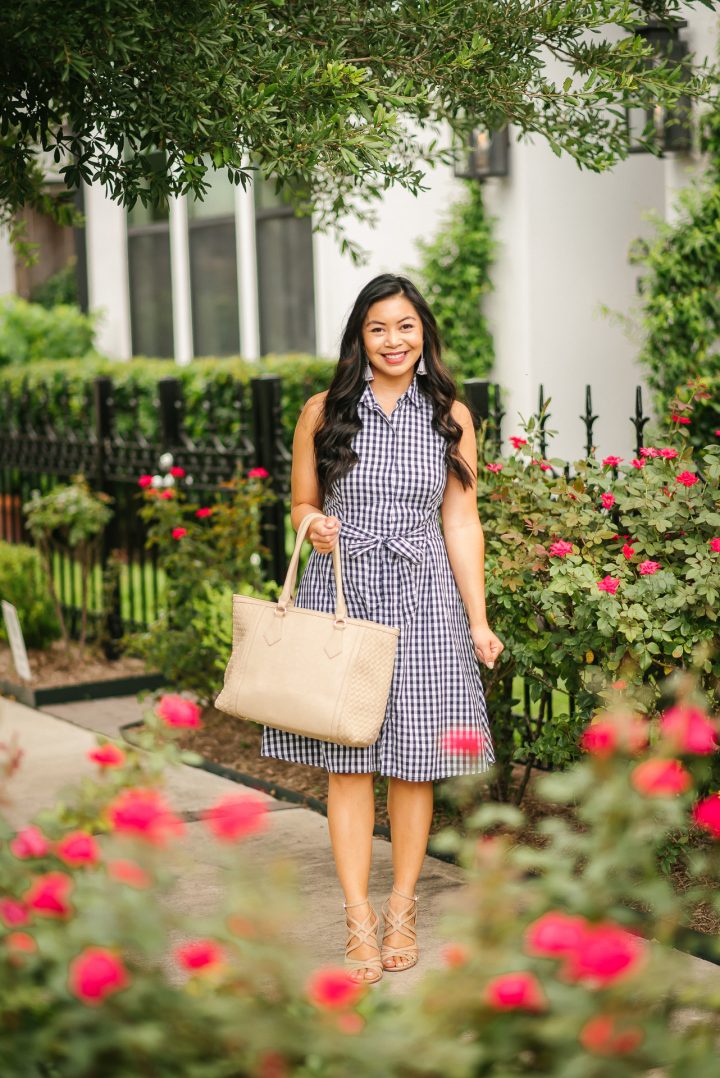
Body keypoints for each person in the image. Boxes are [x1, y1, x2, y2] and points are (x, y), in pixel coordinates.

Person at [261, 273, 504, 983]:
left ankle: (402, 908)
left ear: (422, 331)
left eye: (405, 325)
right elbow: (301, 502)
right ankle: (357, 918)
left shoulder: (450, 413)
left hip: (425, 596)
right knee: (349, 760)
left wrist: (479, 620)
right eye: (378, 328)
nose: (393, 340)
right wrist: (316, 526)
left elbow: (461, 521)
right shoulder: (324, 410)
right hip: (347, 592)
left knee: (414, 764)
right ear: (359, 337)